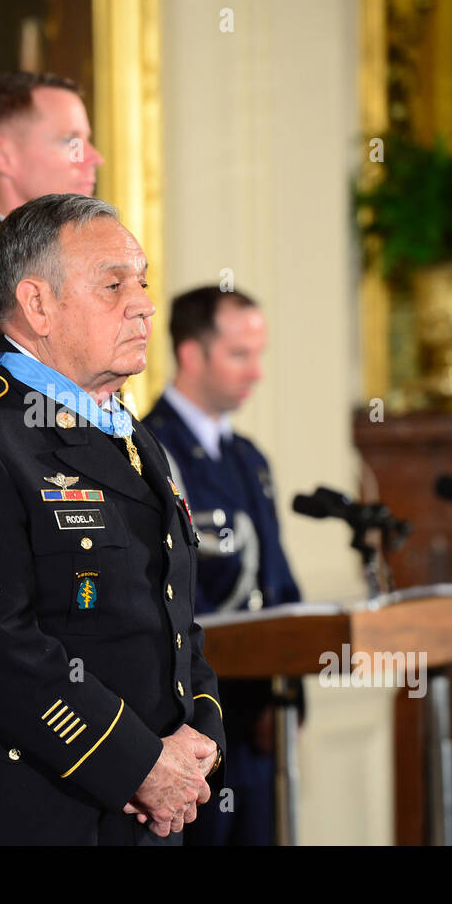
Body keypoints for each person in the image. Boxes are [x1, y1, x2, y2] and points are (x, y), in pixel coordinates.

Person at [0, 194, 224, 845]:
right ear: (38, 304)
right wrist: (137, 762)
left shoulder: (131, 433)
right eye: (113, 285)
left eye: (143, 282)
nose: (144, 303)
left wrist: (199, 739)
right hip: (34, 810)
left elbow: (175, 617)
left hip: (151, 809)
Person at [145, 286, 302, 846]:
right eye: (240, 355)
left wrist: (290, 697)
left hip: (264, 714)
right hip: (200, 720)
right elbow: (173, 594)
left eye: (259, 355)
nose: (256, 372)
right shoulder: (150, 447)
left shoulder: (248, 458)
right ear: (192, 354)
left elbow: (280, 581)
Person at [0, 72, 103, 326]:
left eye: (86, 141)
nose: (94, 158)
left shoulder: (89, 260)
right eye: (70, 141)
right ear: (3, 154)